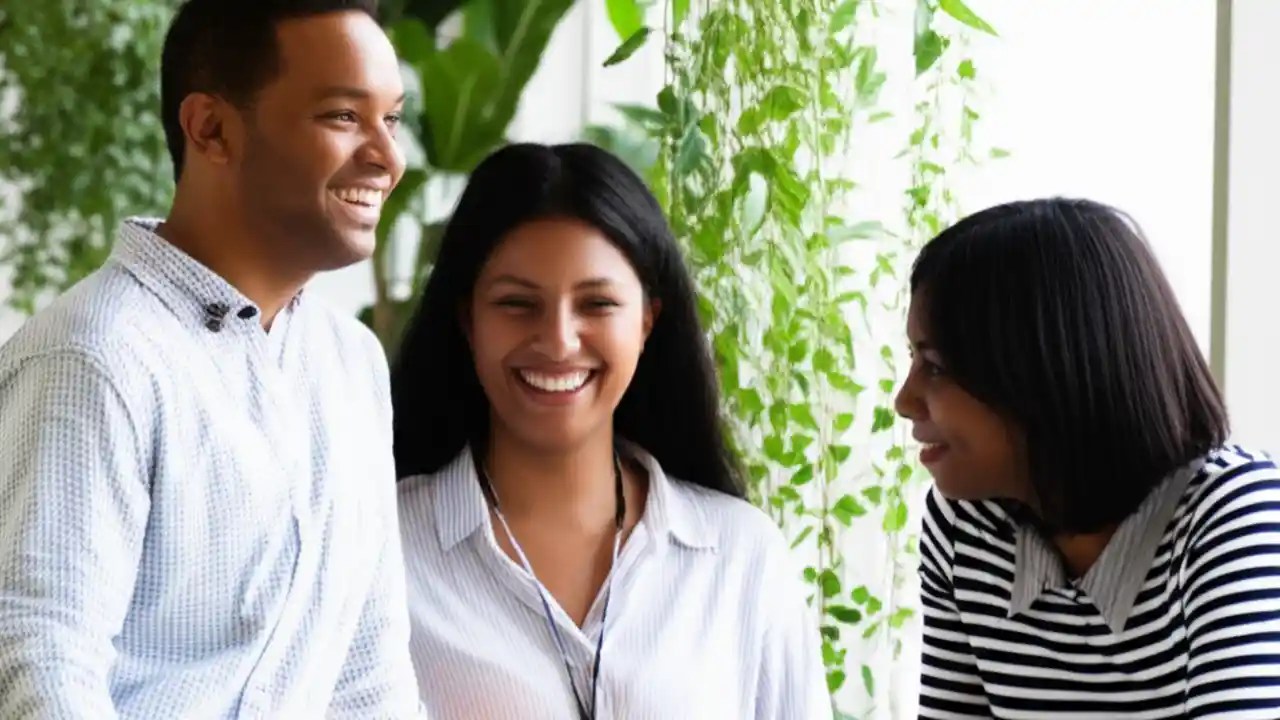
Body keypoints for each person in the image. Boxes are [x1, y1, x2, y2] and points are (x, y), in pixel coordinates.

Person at [0, 1, 424, 716]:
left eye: (394, 118)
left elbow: (368, 673)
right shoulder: (95, 359)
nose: (387, 157)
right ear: (212, 129)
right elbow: (42, 663)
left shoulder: (351, 362)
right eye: (344, 117)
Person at [391, 142, 829, 719]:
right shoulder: (382, 548)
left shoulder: (741, 556)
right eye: (517, 304)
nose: (558, 341)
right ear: (467, 319)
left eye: (597, 303)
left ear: (647, 321)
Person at [896, 197, 1280, 719]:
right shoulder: (963, 527)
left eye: (935, 366)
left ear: (1041, 373)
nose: (904, 401)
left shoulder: (1234, 515)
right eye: (912, 359)